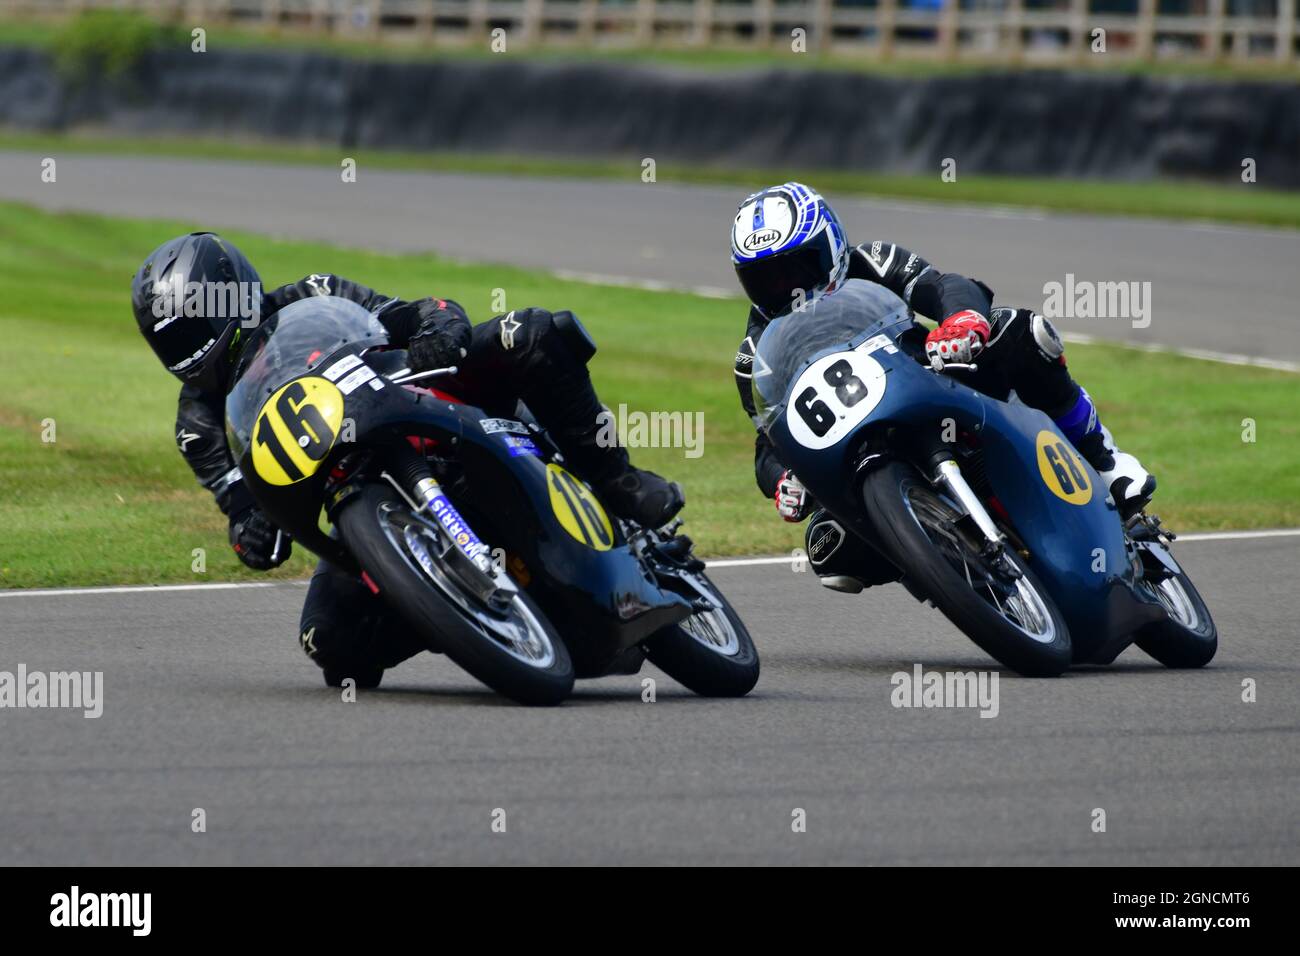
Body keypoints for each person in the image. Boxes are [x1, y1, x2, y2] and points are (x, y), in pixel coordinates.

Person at [132, 232, 682, 685]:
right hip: (358, 494)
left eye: (197, 325)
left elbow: (406, 311)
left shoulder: (311, 294)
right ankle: (454, 612)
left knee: (530, 333)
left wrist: (438, 328)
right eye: (175, 341)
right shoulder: (198, 427)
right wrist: (250, 534)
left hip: (420, 403)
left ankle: (617, 478)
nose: (193, 349)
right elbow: (244, 509)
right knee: (329, 643)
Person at [729, 182, 1155, 591]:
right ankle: (939, 569)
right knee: (828, 548)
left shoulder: (873, 260)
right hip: (856, 448)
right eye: (765, 278)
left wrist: (960, 320)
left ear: (832, 246)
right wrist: (783, 477)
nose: (788, 288)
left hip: (925, 381)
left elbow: (944, 285)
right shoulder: (755, 354)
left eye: (798, 268)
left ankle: (1105, 460)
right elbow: (767, 444)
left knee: (1021, 332)